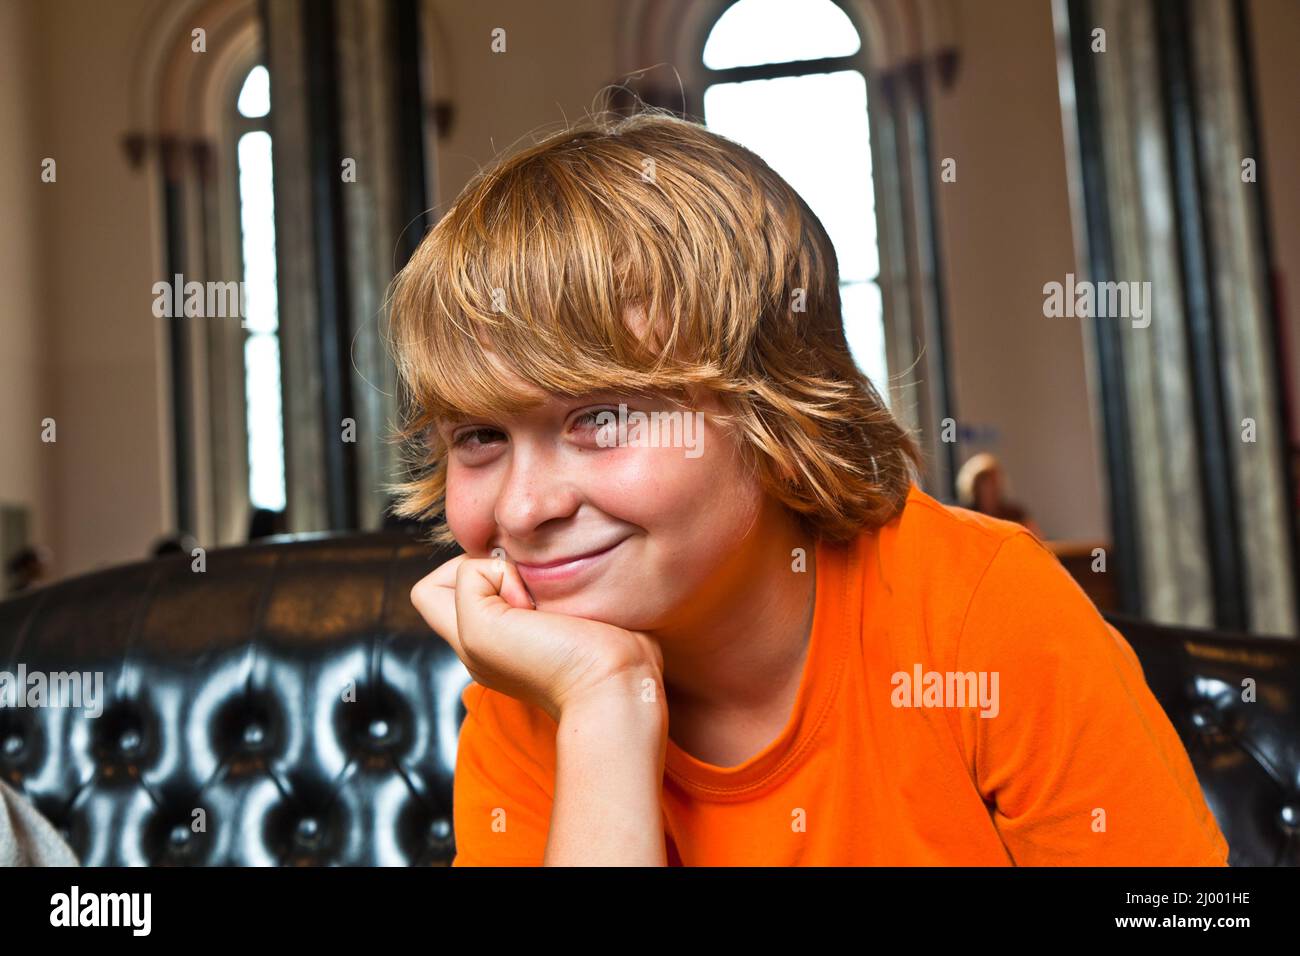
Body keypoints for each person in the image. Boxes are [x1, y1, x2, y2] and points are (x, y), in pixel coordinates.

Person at [388, 109, 1228, 866]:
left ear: (774, 410)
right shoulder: (539, 687)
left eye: (602, 420)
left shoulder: (980, 612)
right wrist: (606, 703)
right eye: (480, 437)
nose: (526, 509)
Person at [955, 452, 1043, 537]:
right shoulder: (965, 517)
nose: (994, 487)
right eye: (986, 482)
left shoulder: (1014, 514)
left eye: (995, 481)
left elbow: (1036, 539)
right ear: (974, 486)